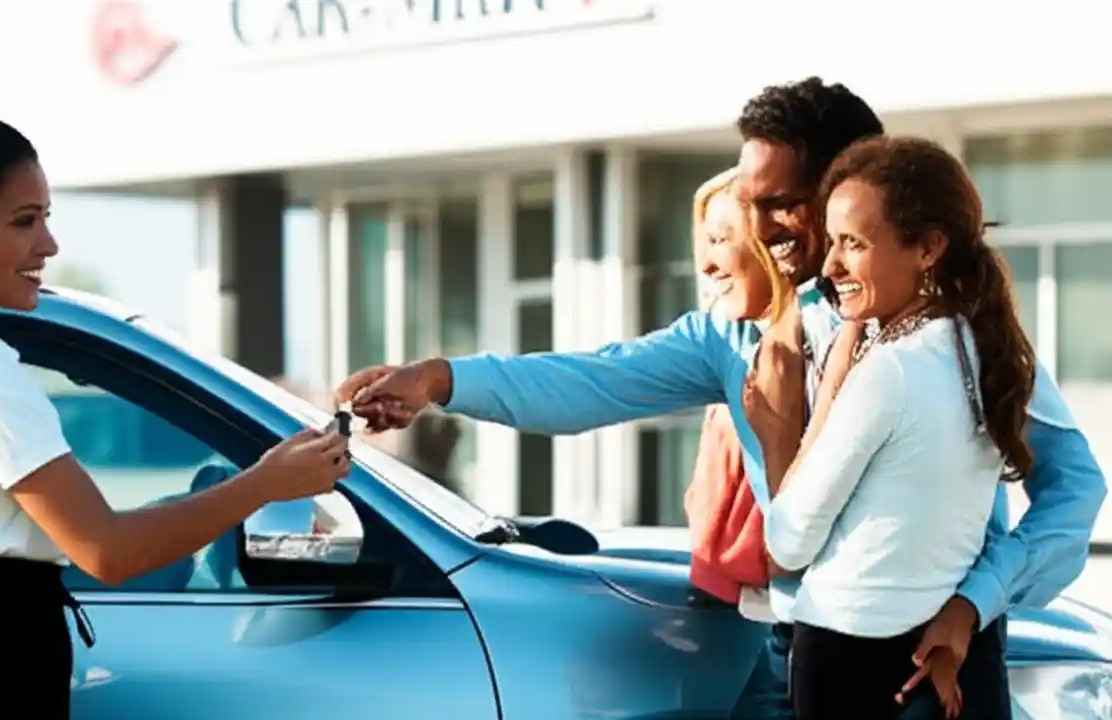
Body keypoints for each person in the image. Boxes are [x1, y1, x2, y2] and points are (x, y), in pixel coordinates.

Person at [334, 77, 1107, 718]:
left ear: (847, 189)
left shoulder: (957, 339)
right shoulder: (735, 339)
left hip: (938, 660)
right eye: (749, 200)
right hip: (799, 657)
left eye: (780, 202)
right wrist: (439, 379)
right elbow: (590, 379)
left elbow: (1073, 486)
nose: (759, 224)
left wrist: (976, 599)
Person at [0, 113, 350, 719]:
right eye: (24, 222)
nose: (48, 246)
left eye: (46, 219)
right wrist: (266, 482)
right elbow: (108, 553)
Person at [744, 135, 1032, 718]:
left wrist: (813, 406)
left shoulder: (889, 371)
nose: (828, 266)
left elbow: (787, 546)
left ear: (928, 248)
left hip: (844, 665)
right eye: (831, 241)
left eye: (853, 243)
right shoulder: (985, 350)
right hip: (930, 653)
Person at [682, 166, 788, 610]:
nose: (707, 264)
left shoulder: (837, 348)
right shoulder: (726, 343)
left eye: (721, 240)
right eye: (703, 243)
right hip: (742, 608)